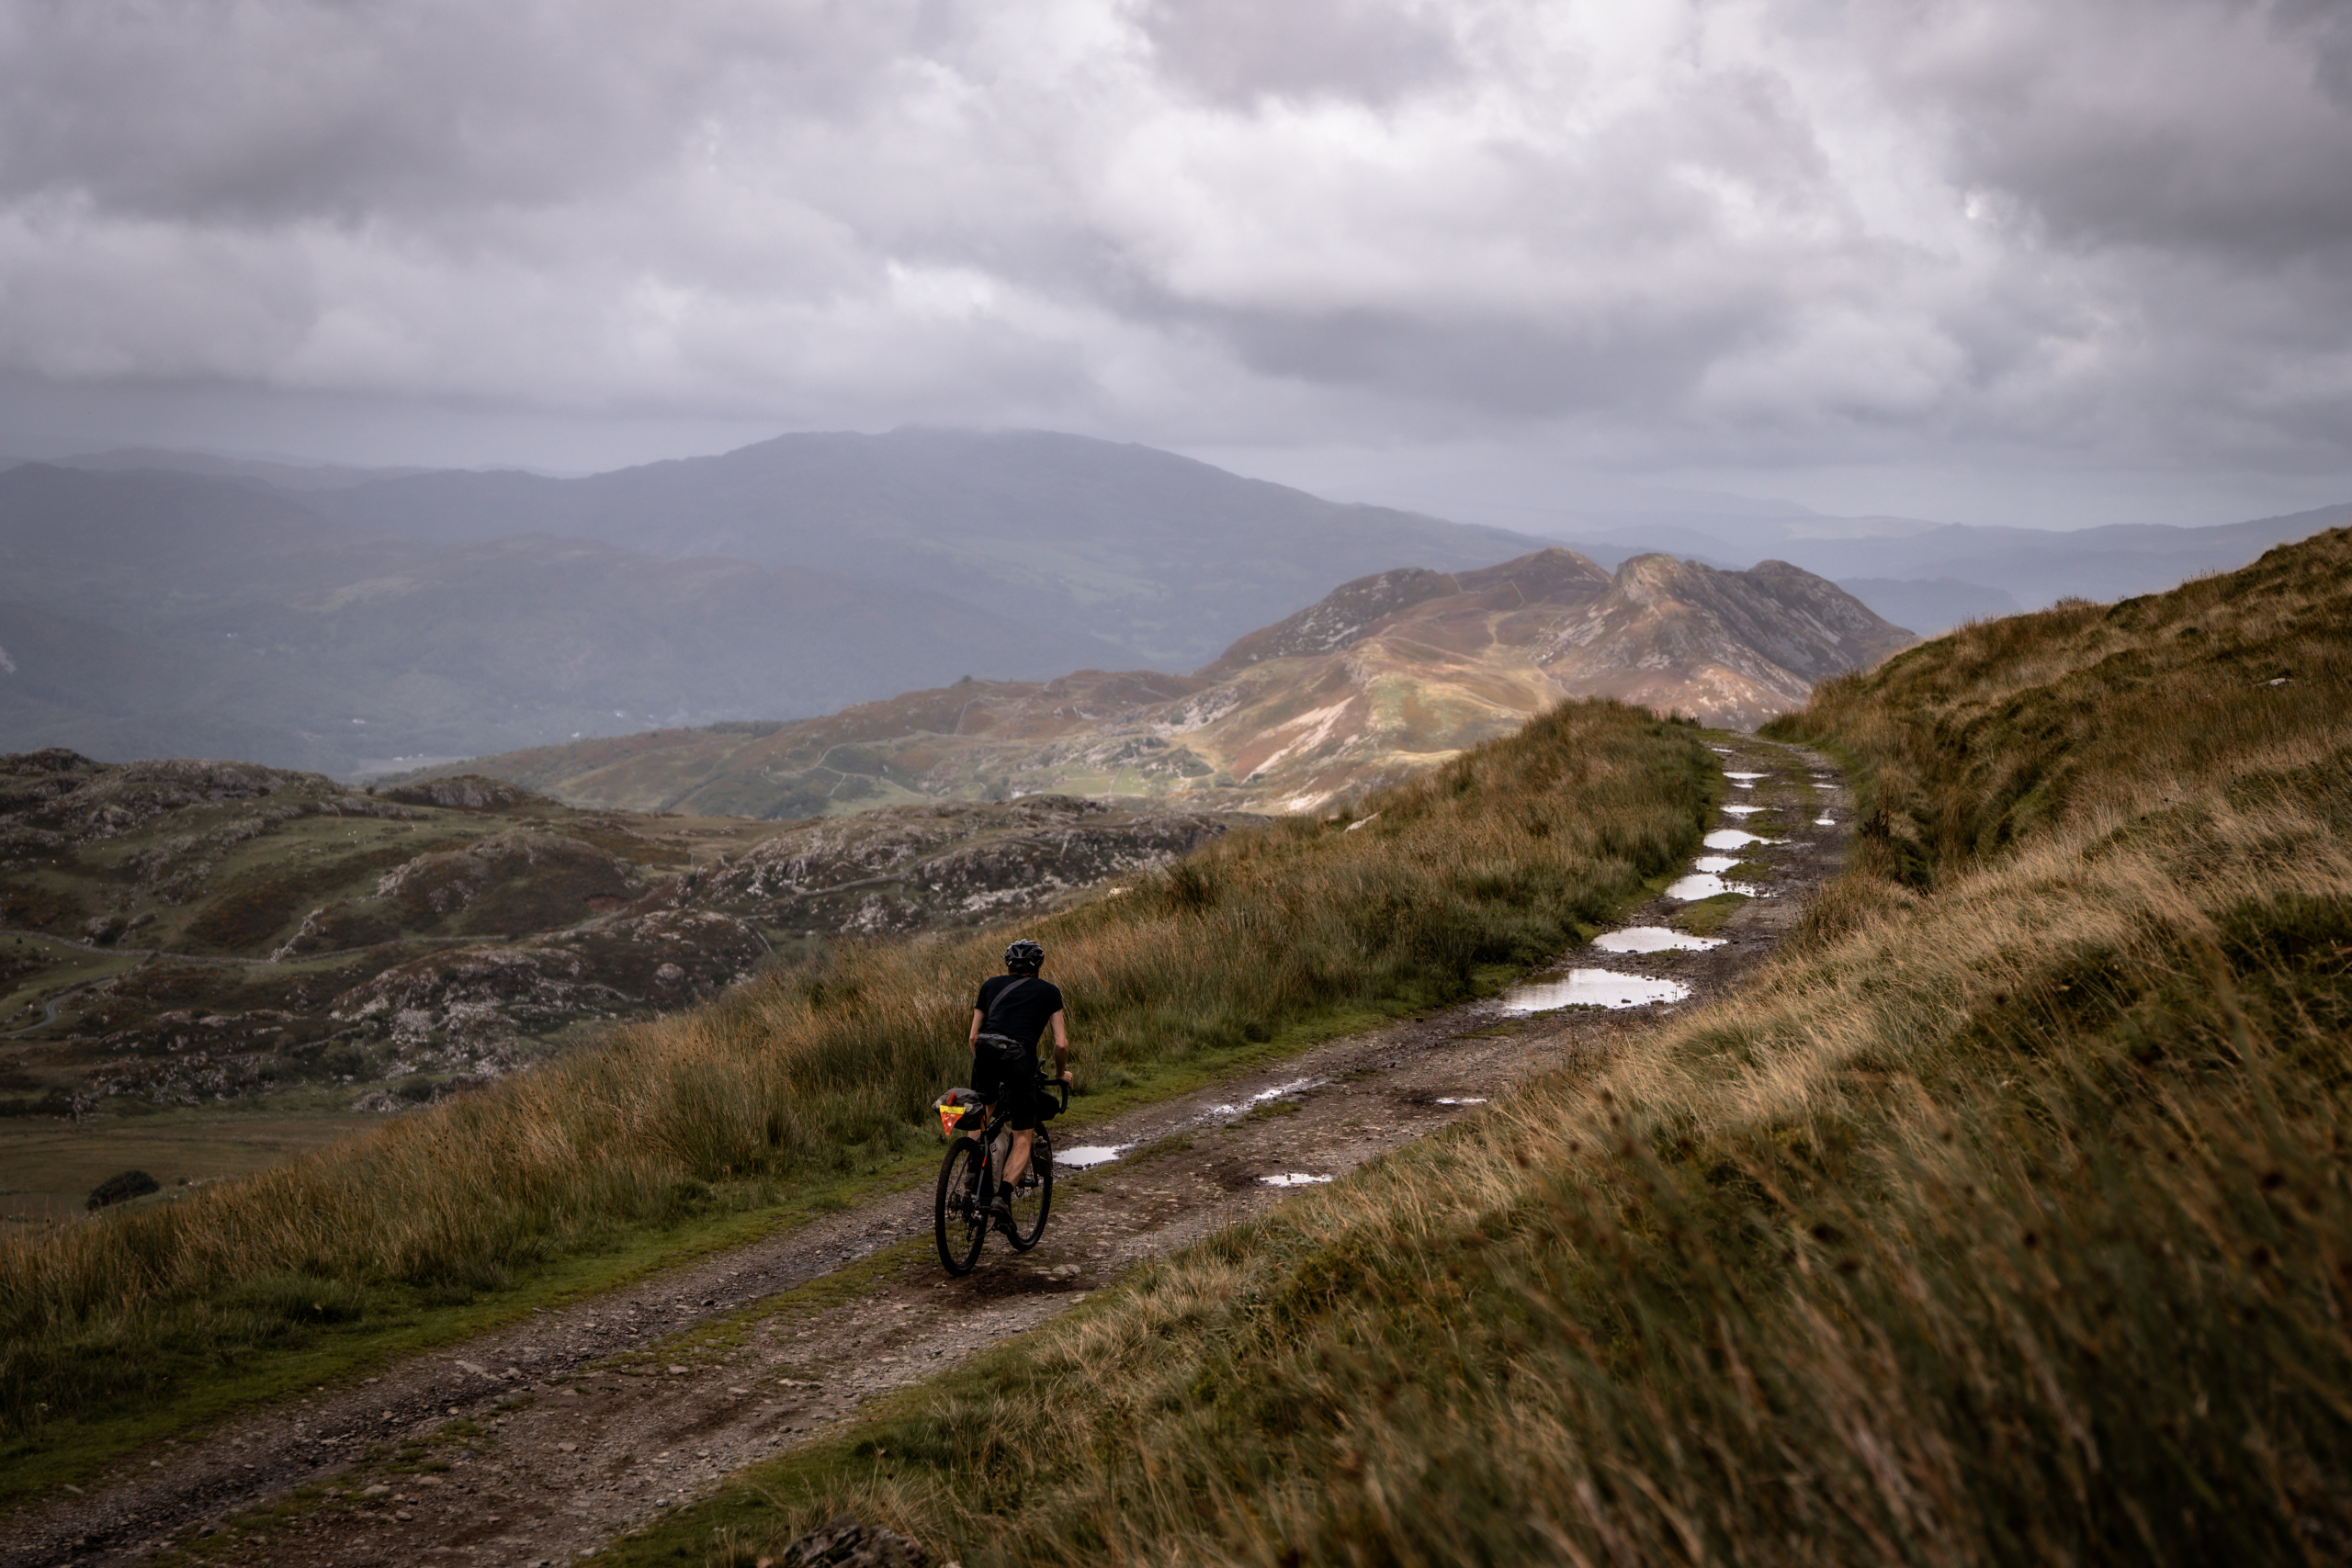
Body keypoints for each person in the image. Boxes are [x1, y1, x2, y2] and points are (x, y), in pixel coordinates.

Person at [968, 937, 1072, 1229]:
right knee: (1023, 1135)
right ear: (1038, 966)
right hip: (1018, 1058)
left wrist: (986, 1067)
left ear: (1008, 966)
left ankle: (971, 1170)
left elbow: (973, 1037)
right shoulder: (1049, 991)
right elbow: (1061, 1044)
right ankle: (1002, 1198)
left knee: (985, 1110)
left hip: (985, 1053)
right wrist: (1061, 1073)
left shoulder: (989, 985)